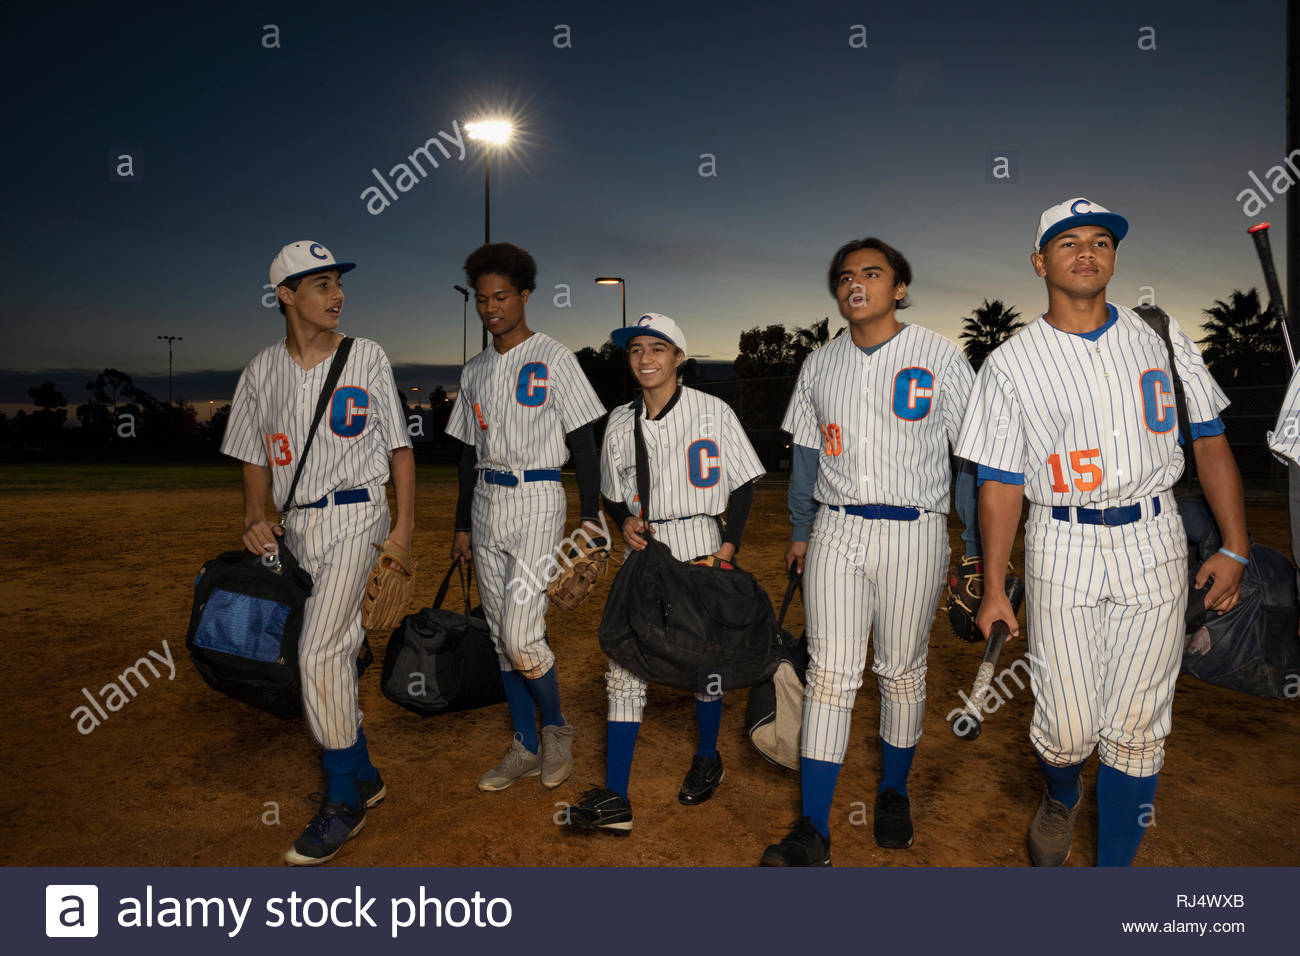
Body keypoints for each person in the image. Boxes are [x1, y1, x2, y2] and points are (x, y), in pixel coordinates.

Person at [957, 198, 1248, 866]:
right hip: (1062, 543)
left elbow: (1208, 440)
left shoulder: (1160, 334)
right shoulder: (1011, 363)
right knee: (1064, 730)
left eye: (1099, 241)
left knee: (1140, 728)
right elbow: (999, 483)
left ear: (1113, 256)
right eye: (1067, 243)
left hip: (1154, 536)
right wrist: (997, 586)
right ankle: (1062, 793)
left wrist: (1234, 545)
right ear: (1040, 262)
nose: (1087, 251)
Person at [761, 239, 977, 866]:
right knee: (830, 675)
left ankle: (892, 790)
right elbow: (805, 457)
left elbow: (969, 457)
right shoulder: (820, 364)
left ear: (899, 288)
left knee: (902, 671)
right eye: (846, 276)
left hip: (916, 530)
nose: (856, 283)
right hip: (836, 528)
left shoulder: (941, 355)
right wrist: (800, 529)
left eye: (873, 273)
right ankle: (813, 829)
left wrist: (974, 546)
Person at [221, 240, 415, 865]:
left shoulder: (368, 357)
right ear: (286, 295)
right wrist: (256, 514)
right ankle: (362, 772)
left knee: (321, 649)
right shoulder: (259, 371)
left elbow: (400, 450)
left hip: (361, 515)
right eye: (321, 284)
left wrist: (404, 533)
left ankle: (342, 802)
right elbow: (252, 456)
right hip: (299, 529)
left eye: (338, 283)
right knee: (322, 652)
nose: (337, 295)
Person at [563, 313, 766, 834]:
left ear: (679, 358)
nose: (645, 358)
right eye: (636, 351)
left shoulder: (712, 411)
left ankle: (706, 756)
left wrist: (727, 546)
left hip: (701, 540)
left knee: (704, 664)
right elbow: (611, 492)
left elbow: (743, 483)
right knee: (625, 666)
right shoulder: (618, 421)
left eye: (658, 348)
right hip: (646, 550)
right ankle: (616, 797)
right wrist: (621, 520)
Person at [446, 242, 606, 792]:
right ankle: (524, 744)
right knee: (499, 638)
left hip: (539, 496)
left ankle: (557, 729)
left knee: (521, 634)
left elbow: (584, 442)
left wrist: (592, 517)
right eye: (482, 299)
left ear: (525, 296)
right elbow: (467, 455)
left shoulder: (555, 357)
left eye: (502, 296)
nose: (491, 308)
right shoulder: (473, 372)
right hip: (487, 503)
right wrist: (462, 524)